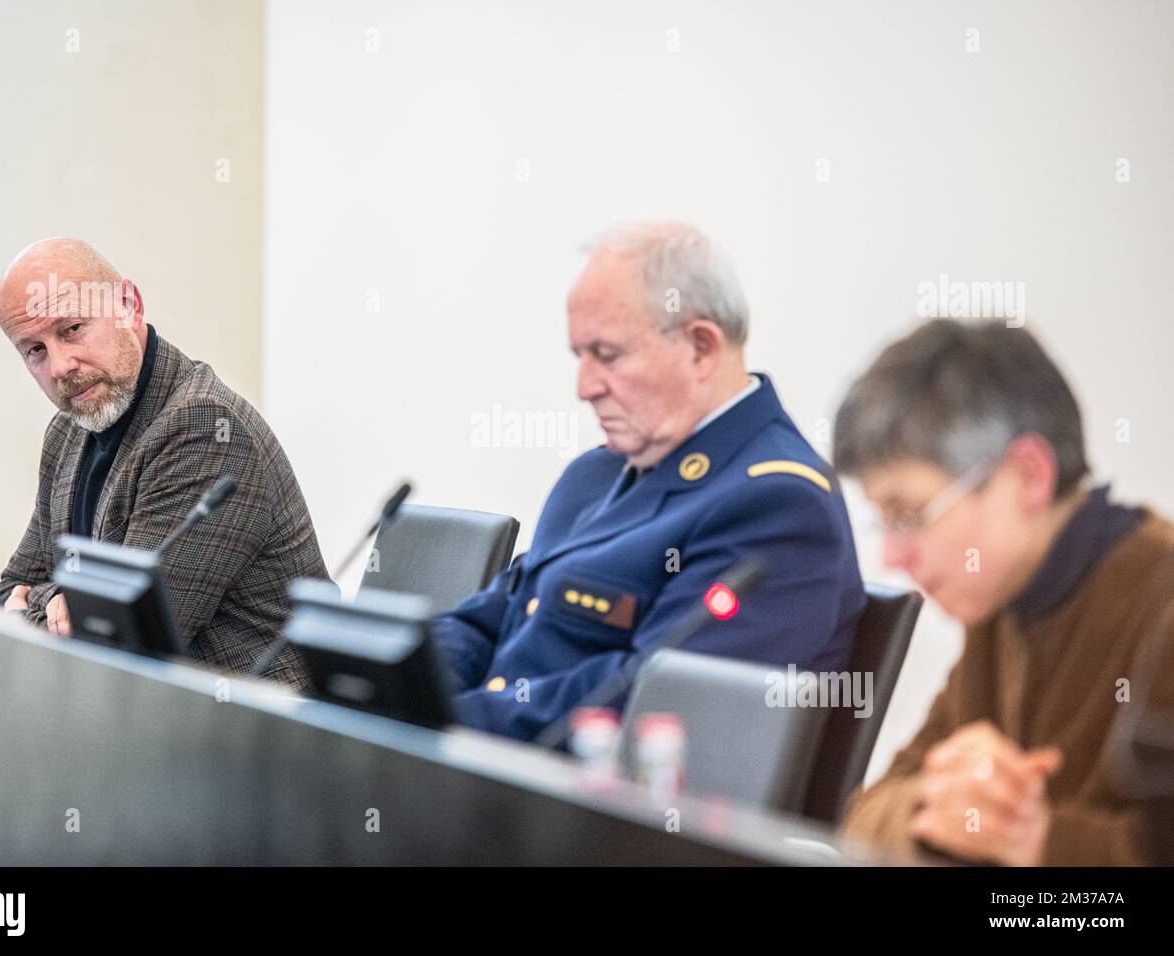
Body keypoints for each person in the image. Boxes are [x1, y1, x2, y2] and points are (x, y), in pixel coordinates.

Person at [431, 222, 866, 742]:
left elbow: (650, 700)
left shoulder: (779, 503)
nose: (584, 387)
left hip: (600, 810)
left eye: (607, 355)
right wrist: (400, 682)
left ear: (701, 348)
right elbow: (495, 617)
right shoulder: (594, 475)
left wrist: (448, 723)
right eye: (579, 357)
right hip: (495, 777)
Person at [834, 318, 1174, 865]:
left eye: (910, 515)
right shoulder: (1004, 605)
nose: (892, 558)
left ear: (1029, 475)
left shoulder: (1160, 605)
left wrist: (1040, 841)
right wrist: (936, 805)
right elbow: (863, 816)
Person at [0, 237, 329, 691]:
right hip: (141, 719)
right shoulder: (68, 432)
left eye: (72, 329)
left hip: (257, 734)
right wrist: (52, 600)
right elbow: (12, 583)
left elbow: (125, 639)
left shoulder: (203, 426)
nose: (60, 366)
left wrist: (31, 605)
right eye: (34, 350)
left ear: (129, 306)